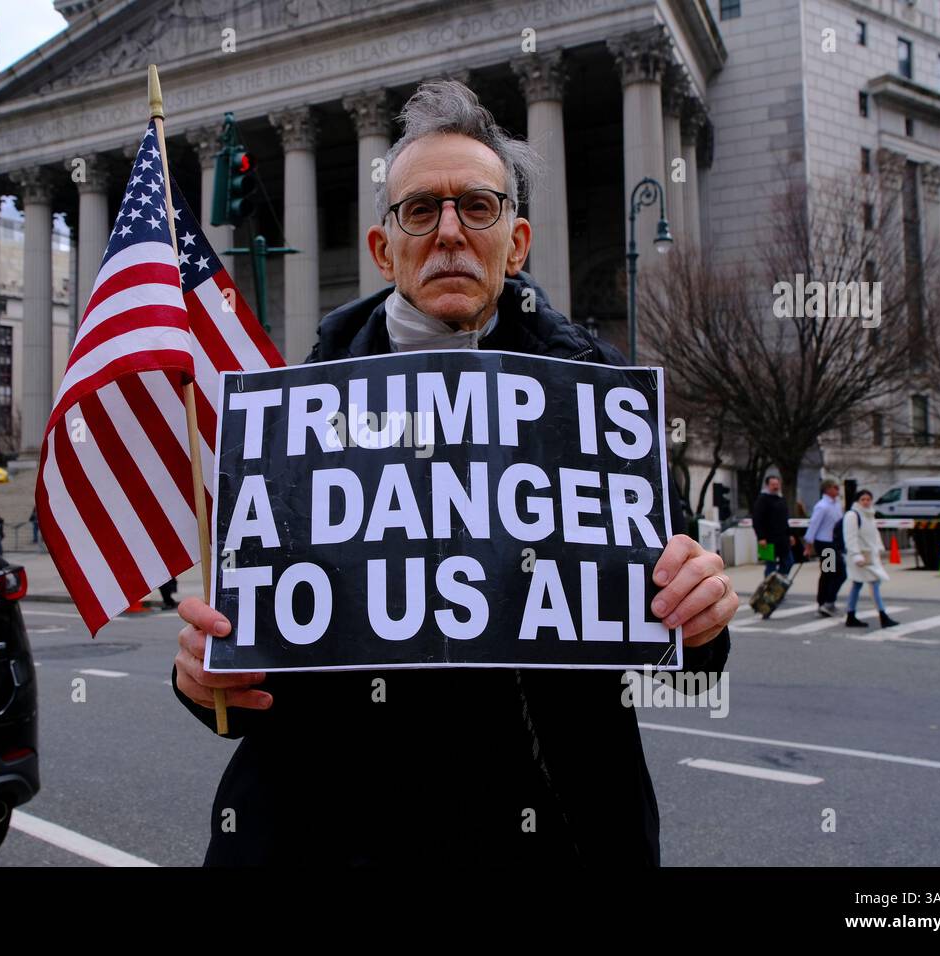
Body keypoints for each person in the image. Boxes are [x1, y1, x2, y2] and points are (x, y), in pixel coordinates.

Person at [171, 80, 737, 867]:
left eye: (478, 207)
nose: (448, 233)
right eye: (419, 210)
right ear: (383, 246)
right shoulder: (291, 415)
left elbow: (678, 663)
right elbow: (252, 688)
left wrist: (702, 617)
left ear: (517, 240)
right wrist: (206, 677)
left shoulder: (605, 407)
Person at [842, 489, 899, 629]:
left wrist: (879, 549)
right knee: (874, 583)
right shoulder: (853, 515)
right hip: (859, 557)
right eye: (863, 499)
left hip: (868, 556)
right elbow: (850, 537)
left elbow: (874, 534)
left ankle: (851, 614)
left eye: (868, 499)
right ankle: (882, 616)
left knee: (858, 584)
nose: (866, 502)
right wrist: (856, 555)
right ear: (857, 501)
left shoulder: (869, 515)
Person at [804, 479, 847, 617]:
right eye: (835, 487)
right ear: (827, 489)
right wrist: (808, 545)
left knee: (839, 573)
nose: (837, 490)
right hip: (825, 544)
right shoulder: (822, 506)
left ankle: (829, 600)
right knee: (829, 574)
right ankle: (823, 603)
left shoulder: (836, 505)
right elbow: (814, 525)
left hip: (834, 543)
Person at [752, 474, 795, 577]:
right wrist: (761, 537)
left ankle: (777, 581)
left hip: (783, 539)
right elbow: (757, 520)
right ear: (767, 485)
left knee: (789, 562)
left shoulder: (781, 499)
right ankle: (768, 589)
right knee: (770, 566)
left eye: (777, 484)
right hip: (767, 540)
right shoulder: (762, 500)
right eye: (773, 484)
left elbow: (785, 519)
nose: (775, 486)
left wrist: (790, 534)